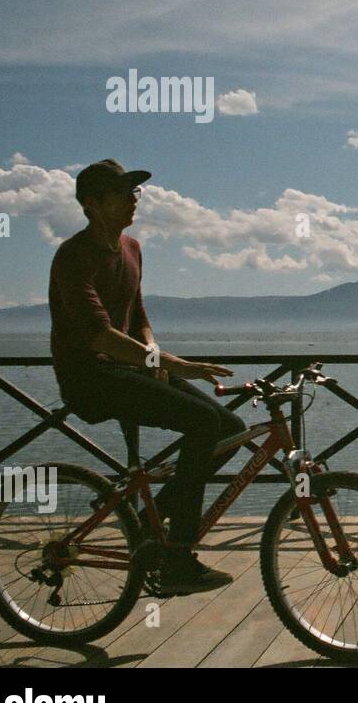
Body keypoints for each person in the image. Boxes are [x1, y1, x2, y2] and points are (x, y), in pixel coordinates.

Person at [49, 159, 243, 595]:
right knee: (202, 422)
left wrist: (153, 357)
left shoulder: (132, 249)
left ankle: (156, 510)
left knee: (230, 427)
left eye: (135, 192)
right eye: (122, 193)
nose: (133, 200)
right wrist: (169, 364)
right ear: (92, 204)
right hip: (90, 377)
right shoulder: (72, 256)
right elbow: (99, 334)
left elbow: (137, 318)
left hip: (130, 366)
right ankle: (178, 559)